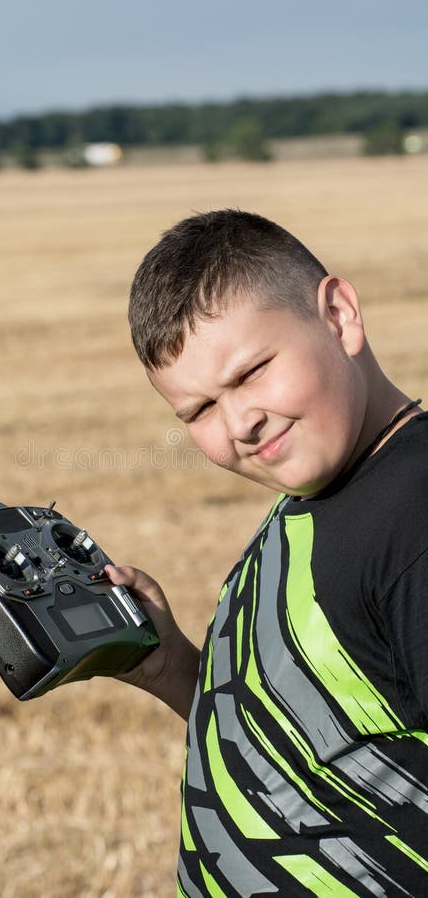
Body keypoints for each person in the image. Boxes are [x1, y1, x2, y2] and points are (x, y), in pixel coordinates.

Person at [104, 209, 428, 896]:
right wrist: (172, 668)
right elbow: (302, 745)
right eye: (197, 413)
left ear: (339, 315)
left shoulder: (413, 521)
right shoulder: (315, 501)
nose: (239, 423)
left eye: (252, 373)